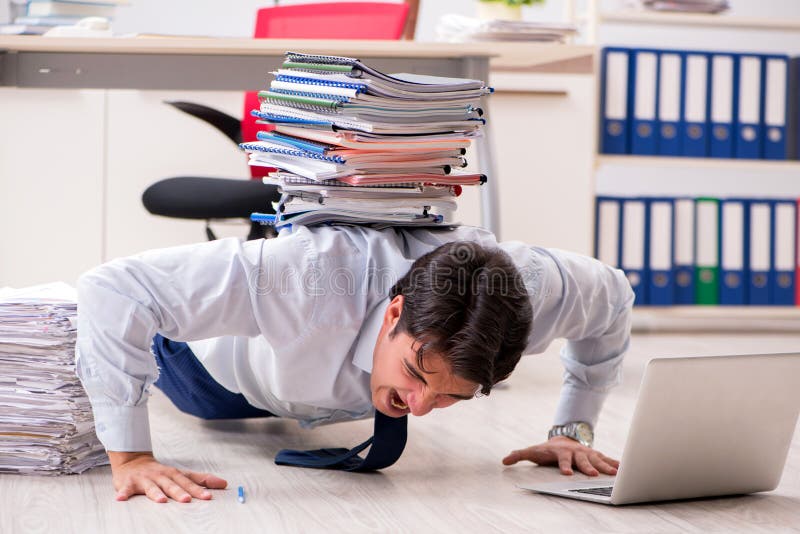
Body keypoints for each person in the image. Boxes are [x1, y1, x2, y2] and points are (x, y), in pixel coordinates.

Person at [76, 224, 633, 504]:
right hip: (207, 377)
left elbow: (614, 300)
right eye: (417, 374)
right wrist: (131, 457)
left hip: (304, 369)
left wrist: (570, 430)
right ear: (395, 313)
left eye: (452, 396)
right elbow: (113, 289)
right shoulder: (304, 276)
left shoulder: (537, 292)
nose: (421, 408)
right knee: (140, 313)